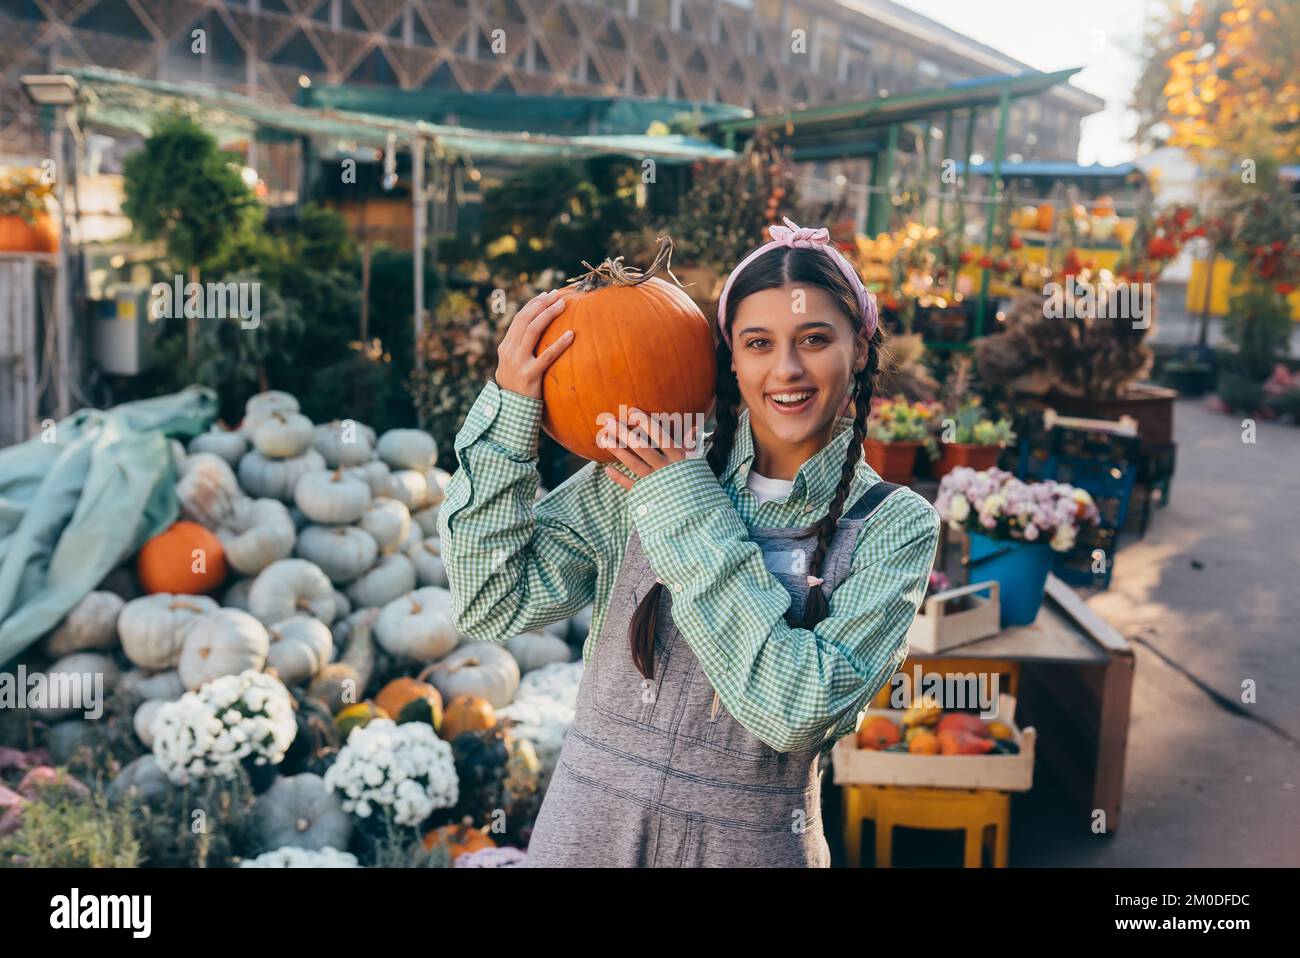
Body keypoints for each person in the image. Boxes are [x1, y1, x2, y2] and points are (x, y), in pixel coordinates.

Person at [437, 217, 941, 867]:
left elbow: (795, 711)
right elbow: (489, 601)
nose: (787, 369)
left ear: (862, 347)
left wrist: (685, 506)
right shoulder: (646, 467)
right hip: (588, 838)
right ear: (730, 356)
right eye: (759, 343)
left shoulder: (892, 525)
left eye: (814, 339)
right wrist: (511, 417)